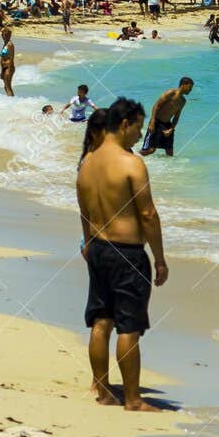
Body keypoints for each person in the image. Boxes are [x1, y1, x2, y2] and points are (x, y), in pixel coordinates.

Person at [75, 98, 168, 411]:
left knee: (101, 321)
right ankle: (133, 399)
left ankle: (103, 392)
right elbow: (148, 214)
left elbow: (84, 211)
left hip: (98, 249)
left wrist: (88, 244)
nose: (140, 135)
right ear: (125, 124)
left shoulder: (88, 163)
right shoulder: (131, 163)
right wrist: (159, 258)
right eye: (138, 128)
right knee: (129, 327)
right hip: (127, 253)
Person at [140, 77, 193, 157]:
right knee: (150, 150)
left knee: (169, 153)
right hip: (156, 122)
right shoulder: (171, 93)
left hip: (167, 125)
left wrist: (171, 129)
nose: (190, 90)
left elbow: (176, 117)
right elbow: (156, 106)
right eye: (190, 87)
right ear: (183, 85)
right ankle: (132, 156)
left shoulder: (183, 101)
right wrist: (152, 122)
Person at [0, 28, 16, 96]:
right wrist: (2, 70)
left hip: (9, 67)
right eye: (3, 34)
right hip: (4, 68)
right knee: (6, 87)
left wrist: (7, 70)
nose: (3, 36)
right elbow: (3, 56)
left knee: (8, 87)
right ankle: (10, 99)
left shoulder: (10, 44)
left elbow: (11, 58)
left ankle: (11, 100)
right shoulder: (5, 44)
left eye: (6, 35)